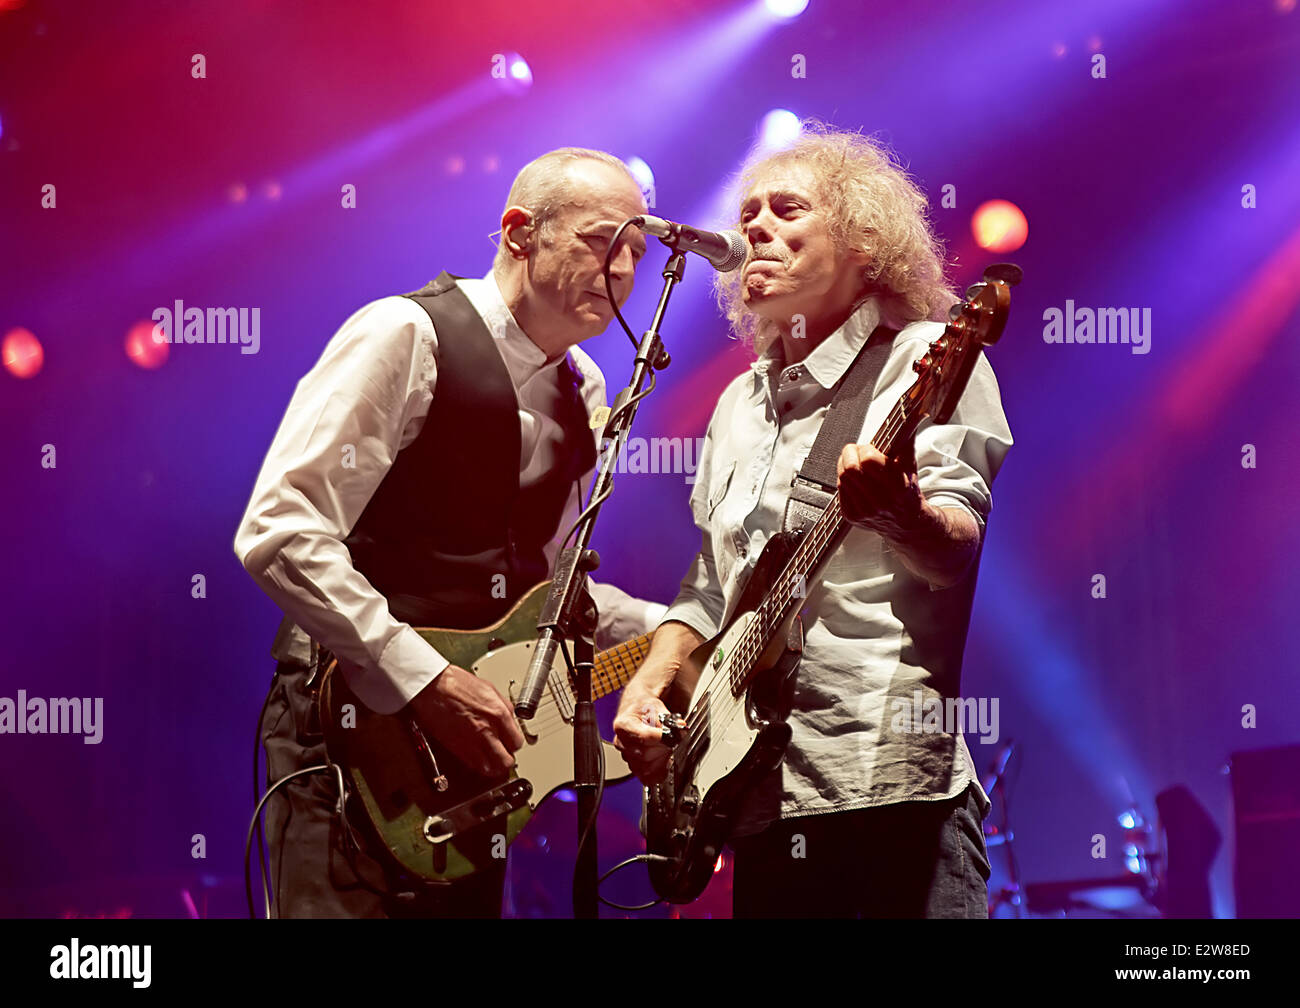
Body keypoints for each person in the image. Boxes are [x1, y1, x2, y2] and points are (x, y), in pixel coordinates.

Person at [235, 147, 666, 918]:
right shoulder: (405, 334)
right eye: (604, 240)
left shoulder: (586, 387)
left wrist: (678, 634)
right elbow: (282, 528)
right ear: (518, 232)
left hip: (471, 765)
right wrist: (427, 681)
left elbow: (552, 586)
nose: (626, 268)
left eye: (637, 249)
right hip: (347, 735)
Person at [613, 122, 1014, 918]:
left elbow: (953, 554)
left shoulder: (926, 358)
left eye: (787, 208)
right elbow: (709, 586)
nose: (754, 225)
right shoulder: (737, 403)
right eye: (749, 209)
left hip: (889, 790)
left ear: (866, 244)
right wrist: (653, 683)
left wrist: (900, 512)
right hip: (758, 802)